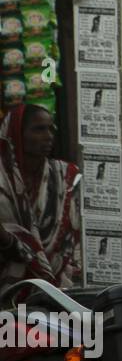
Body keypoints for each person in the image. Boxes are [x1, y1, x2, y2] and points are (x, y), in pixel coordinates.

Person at [0, 104, 81, 288]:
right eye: (38, 129)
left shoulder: (64, 176)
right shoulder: (2, 181)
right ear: (16, 134)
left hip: (55, 287)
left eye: (51, 129)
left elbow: (73, 237)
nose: (48, 136)